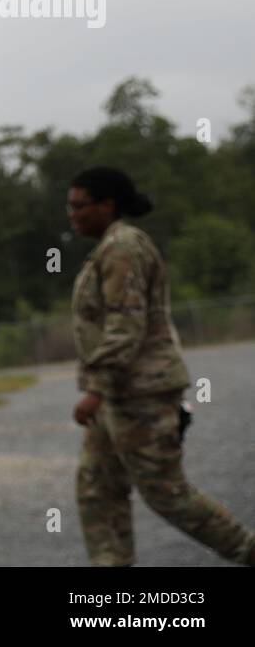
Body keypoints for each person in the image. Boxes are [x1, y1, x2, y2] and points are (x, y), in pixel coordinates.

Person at [68, 166, 254, 566]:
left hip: (140, 391)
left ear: (107, 205)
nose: (72, 214)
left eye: (80, 206)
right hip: (118, 393)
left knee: (166, 493)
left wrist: (94, 388)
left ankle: (247, 550)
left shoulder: (123, 247)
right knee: (98, 487)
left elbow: (125, 323)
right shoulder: (108, 248)